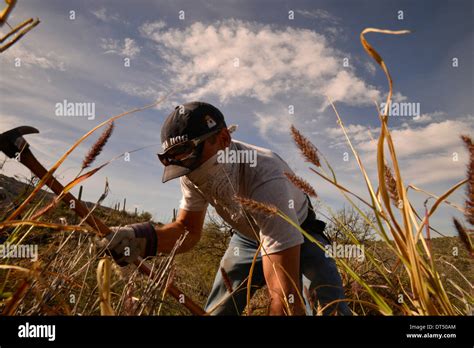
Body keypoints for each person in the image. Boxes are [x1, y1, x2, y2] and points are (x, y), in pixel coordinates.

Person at [102, 101, 351, 316]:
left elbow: (283, 299)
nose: (190, 170)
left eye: (191, 154)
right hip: (246, 237)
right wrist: (141, 238)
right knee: (220, 308)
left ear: (223, 139)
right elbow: (188, 231)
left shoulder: (265, 175)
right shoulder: (188, 170)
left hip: (299, 232)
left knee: (329, 303)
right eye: (177, 158)